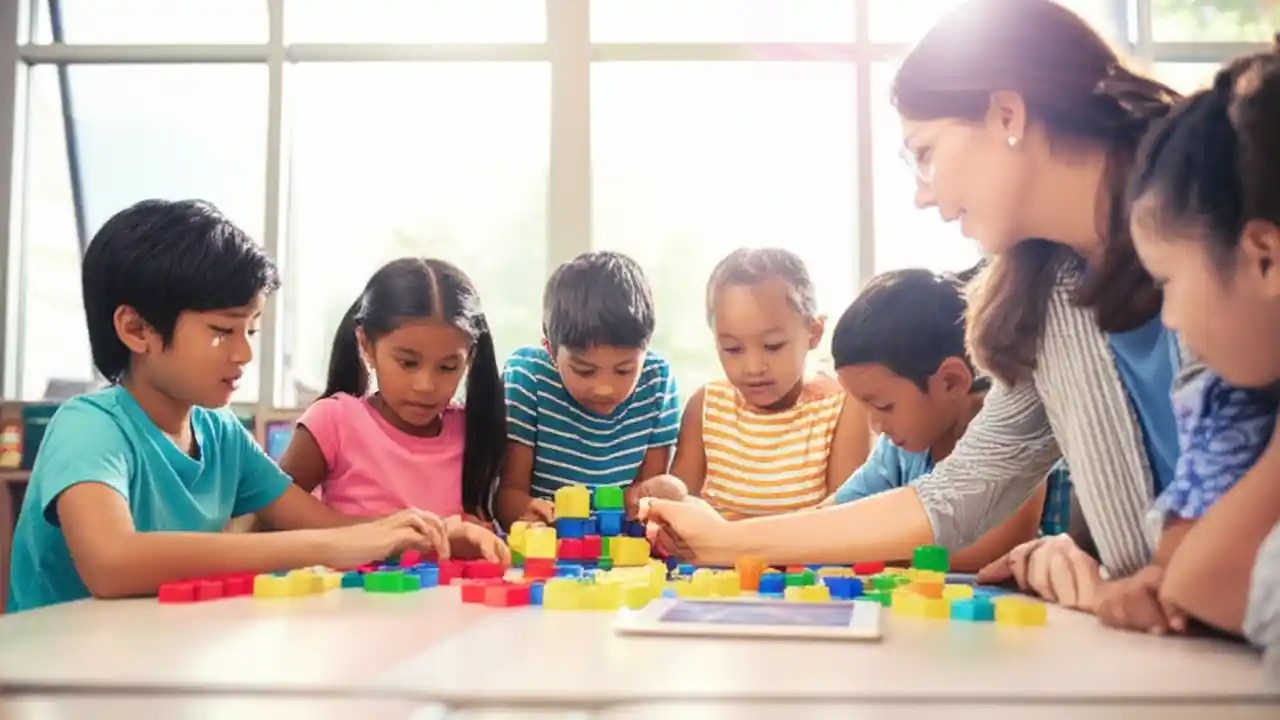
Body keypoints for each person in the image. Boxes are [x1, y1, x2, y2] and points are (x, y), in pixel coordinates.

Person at [640, 0, 1196, 611]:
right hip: (1190, 644)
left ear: (1006, 113)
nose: (922, 195)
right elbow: (952, 496)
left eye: (925, 152)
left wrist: (1145, 573)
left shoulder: (1211, 225)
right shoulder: (1048, 303)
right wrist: (724, 541)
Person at [7, 200, 446, 613]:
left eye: (250, 331)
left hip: (152, 658)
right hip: (59, 675)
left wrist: (424, 530)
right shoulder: (89, 427)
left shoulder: (221, 432)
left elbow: (322, 524)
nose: (244, 355)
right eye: (222, 331)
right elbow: (112, 563)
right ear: (136, 329)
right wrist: (323, 548)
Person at [1108, 45, 1280, 644]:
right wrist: (1160, 579)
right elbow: (1179, 574)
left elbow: (1210, 581)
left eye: (1168, 283)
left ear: (1265, 257)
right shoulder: (1234, 398)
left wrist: (1181, 579)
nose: (1171, 319)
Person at [815, 268, 1049, 570]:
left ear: (950, 381)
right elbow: (835, 512)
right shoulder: (903, 445)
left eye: (884, 406)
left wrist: (851, 549)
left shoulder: (1019, 433)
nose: (876, 425)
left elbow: (985, 554)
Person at [279, 258, 508, 562]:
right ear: (366, 345)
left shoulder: (471, 432)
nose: (425, 385)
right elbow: (272, 515)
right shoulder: (334, 422)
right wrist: (403, 537)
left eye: (448, 367)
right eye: (407, 363)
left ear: (470, 358)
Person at [665, 248, 869, 518]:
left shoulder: (843, 406)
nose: (753, 368)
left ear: (814, 332)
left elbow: (844, 521)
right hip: (713, 560)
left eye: (773, 346)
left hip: (809, 560)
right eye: (732, 348)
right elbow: (679, 514)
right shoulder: (706, 406)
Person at [495, 251, 683, 528]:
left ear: (646, 349)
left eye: (624, 370)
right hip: (545, 546)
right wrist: (526, 510)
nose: (604, 388)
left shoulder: (657, 382)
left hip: (619, 550)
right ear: (550, 349)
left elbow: (649, 491)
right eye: (584, 370)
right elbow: (507, 493)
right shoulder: (528, 379)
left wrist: (649, 499)